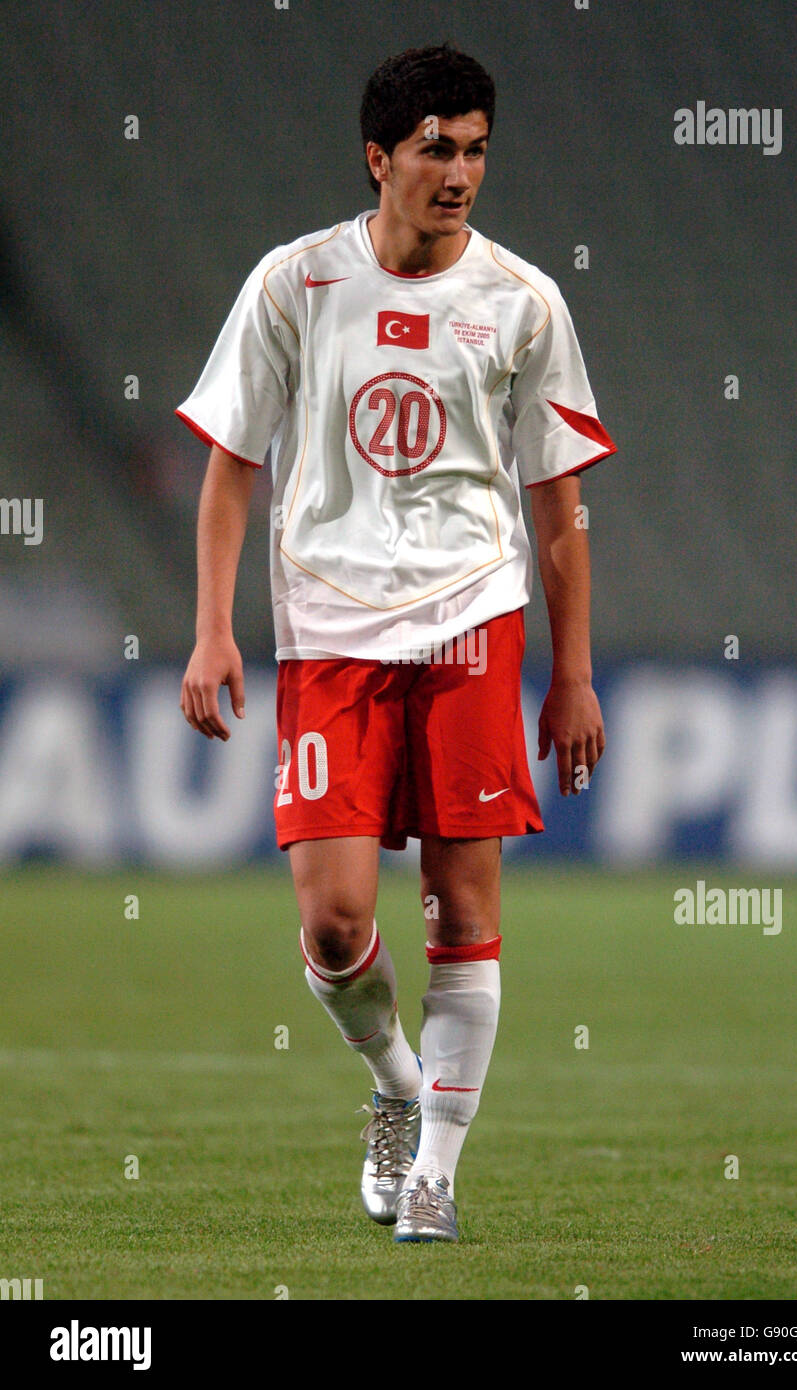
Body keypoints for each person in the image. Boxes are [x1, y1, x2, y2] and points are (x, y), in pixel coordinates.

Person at [177, 42, 615, 1243]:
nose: (458, 172)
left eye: (474, 149)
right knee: (330, 920)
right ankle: (396, 1085)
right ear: (379, 158)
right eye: (434, 148)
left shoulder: (524, 302)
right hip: (328, 633)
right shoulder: (295, 284)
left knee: (461, 906)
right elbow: (230, 466)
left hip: (473, 619)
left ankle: (435, 1171)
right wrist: (214, 628)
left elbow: (559, 506)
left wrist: (569, 673)